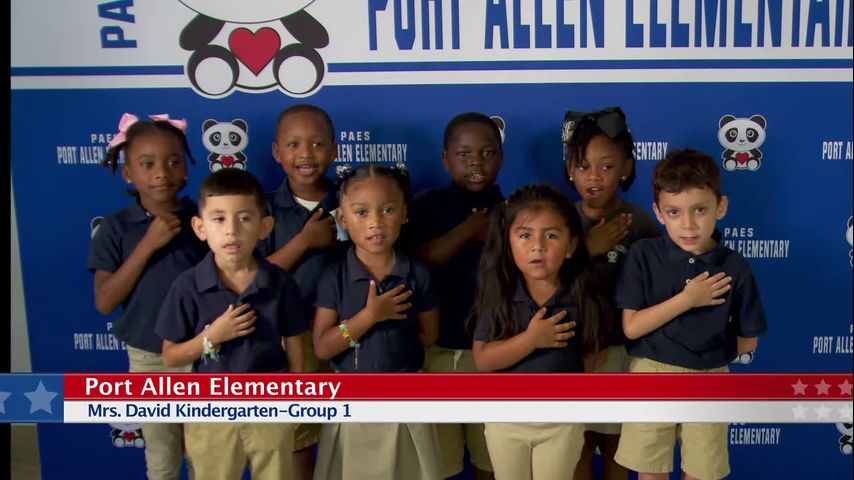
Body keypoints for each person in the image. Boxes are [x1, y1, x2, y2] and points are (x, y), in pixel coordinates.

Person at [613, 148, 768, 480]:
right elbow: (631, 327)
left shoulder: (734, 266)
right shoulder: (642, 256)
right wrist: (688, 300)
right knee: (650, 470)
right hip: (651, 374)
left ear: (721, 207)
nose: (688, 224)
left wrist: (709, 357)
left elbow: (748, 340)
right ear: (658, 212)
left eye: (700, 210)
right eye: (674, 211)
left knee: (703, 470)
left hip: (710, 377)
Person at [155, 168, 306, 480]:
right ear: (199, 227)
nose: (232, 231)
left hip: (270, 408)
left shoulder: (280, 283)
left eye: (245, 218)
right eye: (219, 219)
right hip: (210, 414)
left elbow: (295, 349)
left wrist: (293, 403)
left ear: (265, 226)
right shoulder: (187, 286)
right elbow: (170, 356)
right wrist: (212, 336)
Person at [88, 112, 206, 480]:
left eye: (173, 162)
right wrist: (149, 243)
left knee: (207, 453)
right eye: (148, 164)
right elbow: (105, 300)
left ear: (185, 169)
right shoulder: (116, 228)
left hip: (204, 352)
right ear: (128, 174)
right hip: (149, 357)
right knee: (163, 455)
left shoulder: (204, 219)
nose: (162, 173)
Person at [472, 183, 612, 480]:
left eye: (551, 235)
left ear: (571, 245)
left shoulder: (584, 297)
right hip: (505, 421)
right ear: (509, 243)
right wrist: (532, 340)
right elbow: (483, 359)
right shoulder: (499, 294)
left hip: (562, 424)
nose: (538, 246)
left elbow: (596, 354)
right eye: (525, 235)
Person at [312, 164, 443, 480]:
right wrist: (369, 317)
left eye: (387, 210)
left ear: (404, 214)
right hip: (350, 403)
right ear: (342, 218)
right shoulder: (334, 276)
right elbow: (321, 347)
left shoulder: (418, 275)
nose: (375, 223)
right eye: (361, 212)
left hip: (406, 401)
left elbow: (428, 335)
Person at [562, 106, 661, 480]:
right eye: (584, 166)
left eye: (606, 166)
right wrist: (588, 245)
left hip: (624, 352)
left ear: (626, 167)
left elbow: (655, 297)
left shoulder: (641, 224)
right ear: (570, 169)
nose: (594, 177)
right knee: (578, 444)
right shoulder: (560, 219)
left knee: (618, 445)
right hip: (571, 350)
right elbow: (543, 281)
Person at [411, 112, 505, 480]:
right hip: (436, 354)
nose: (476, 163)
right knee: (439, 463)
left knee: (492, 460)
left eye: (486, 153)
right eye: (464, 154)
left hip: (493, 352)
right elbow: (420, 260)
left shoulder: (514, 211)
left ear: (501, 156)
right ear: (445, 159)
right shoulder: (426, 207)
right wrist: (469, 229)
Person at [258, 104, 342, 479]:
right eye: (293, 145)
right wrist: (305, 242)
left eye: (316, 144)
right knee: (299, 439)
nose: (305, 154)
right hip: (293, 338)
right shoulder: (264, 209)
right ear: (277, 152)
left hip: (350, 333)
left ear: (335, 149)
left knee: (351, 436)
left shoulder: (351, 200)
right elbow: (252, 277)